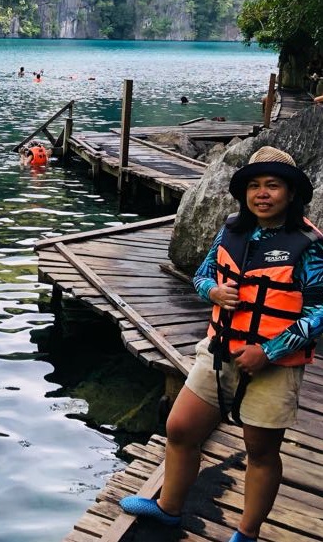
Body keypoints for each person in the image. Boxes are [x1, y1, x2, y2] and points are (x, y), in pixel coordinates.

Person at [120, 146, 323, 542]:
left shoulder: (309, 244)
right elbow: (202, 273)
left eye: (273, 185)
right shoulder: (232, 228)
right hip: (218, 351)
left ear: (291, 193)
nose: (262, 193)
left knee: (260, 451)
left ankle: (246, 534)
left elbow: (319, 311)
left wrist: (269, 351)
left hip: (273, 364)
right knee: (179, 428)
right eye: (254, 185)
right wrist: (212, 291)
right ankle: (168, 509)